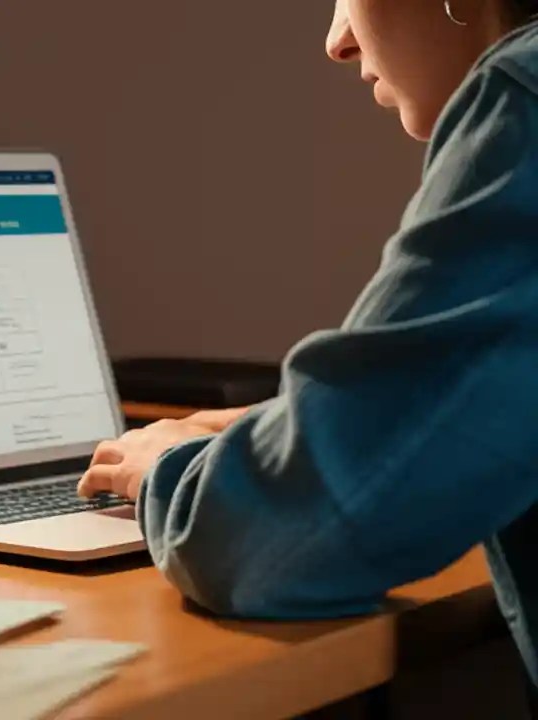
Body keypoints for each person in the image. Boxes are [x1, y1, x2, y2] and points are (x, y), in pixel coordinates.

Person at [77, 0, 538, 683]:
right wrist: (302, 439)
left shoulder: (524, 99)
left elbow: (269, 545)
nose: (338, 41)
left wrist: (171, 467)